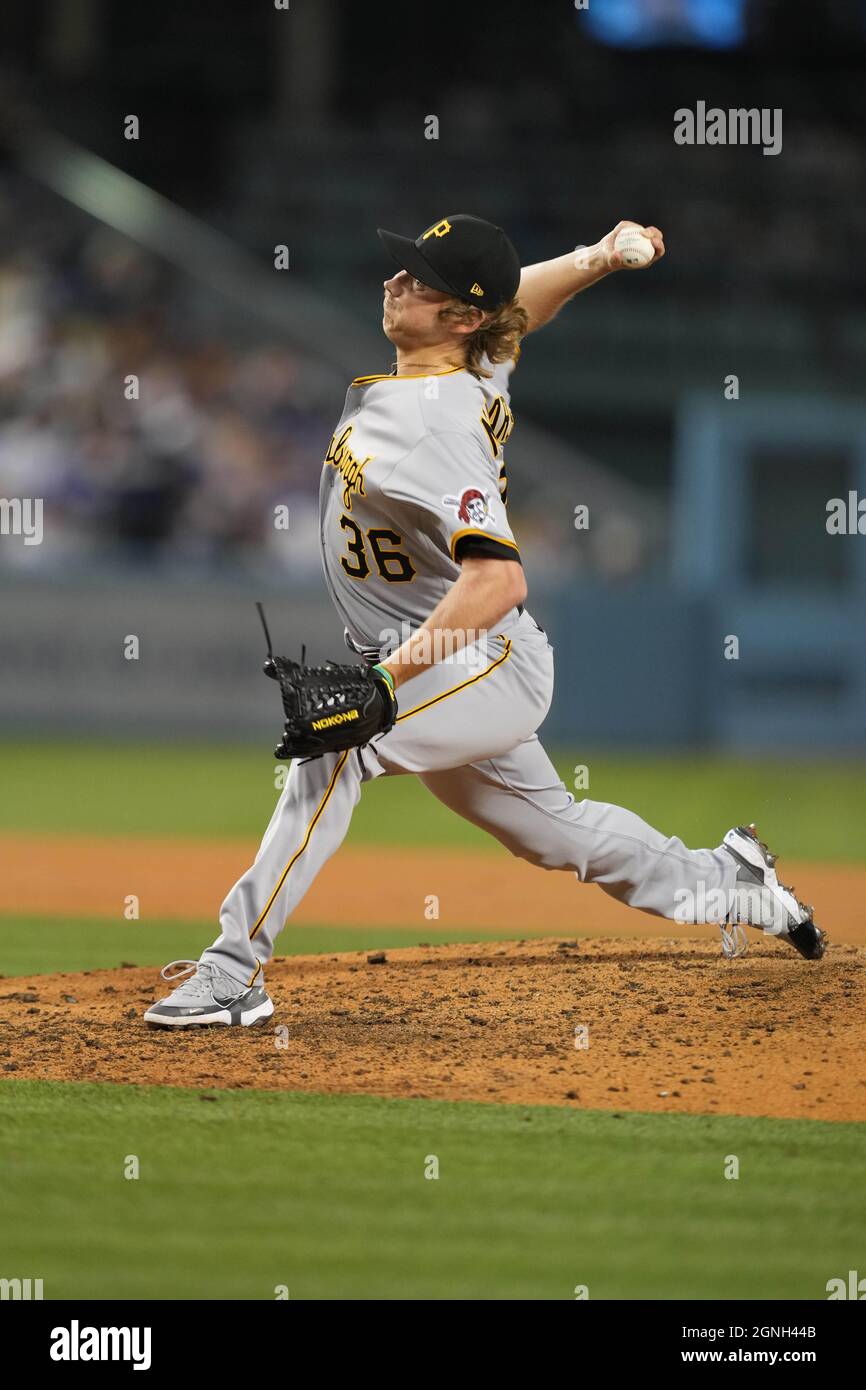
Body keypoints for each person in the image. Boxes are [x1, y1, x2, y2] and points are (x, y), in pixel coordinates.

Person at [144, 214, 824, 1028]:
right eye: (404, 270)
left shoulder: (433, 420)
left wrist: (385, 683)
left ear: (460, 318)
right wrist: (597, 258)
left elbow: (499, 579)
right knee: (556, 835)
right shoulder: (476, 360)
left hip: (477, 659)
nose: (395, 282)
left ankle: (233, 971)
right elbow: (518, 308)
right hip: (448, 661)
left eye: (419, 280)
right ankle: (732, 882)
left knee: (335, 751)